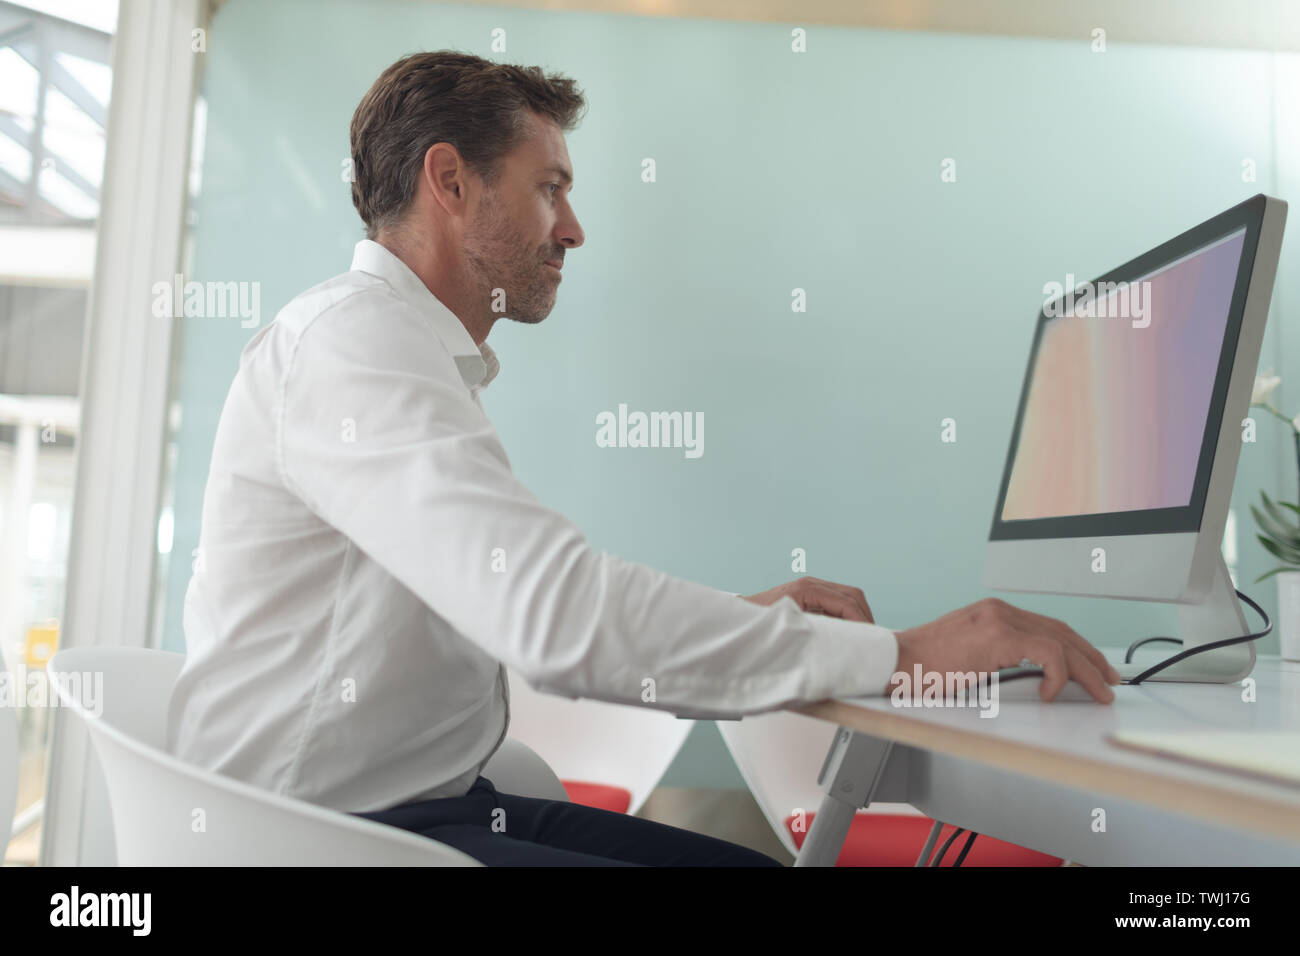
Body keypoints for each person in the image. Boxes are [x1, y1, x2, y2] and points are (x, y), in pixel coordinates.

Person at [166, 50, 1119, 867]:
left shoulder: (394, 350)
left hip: (421, 807)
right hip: (314, 839)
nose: (572, 227)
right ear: (449, 182)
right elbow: (553, 614)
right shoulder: (352, 346)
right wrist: (902, 658)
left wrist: (743, 621)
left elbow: (507, 615)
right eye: (550, 188)